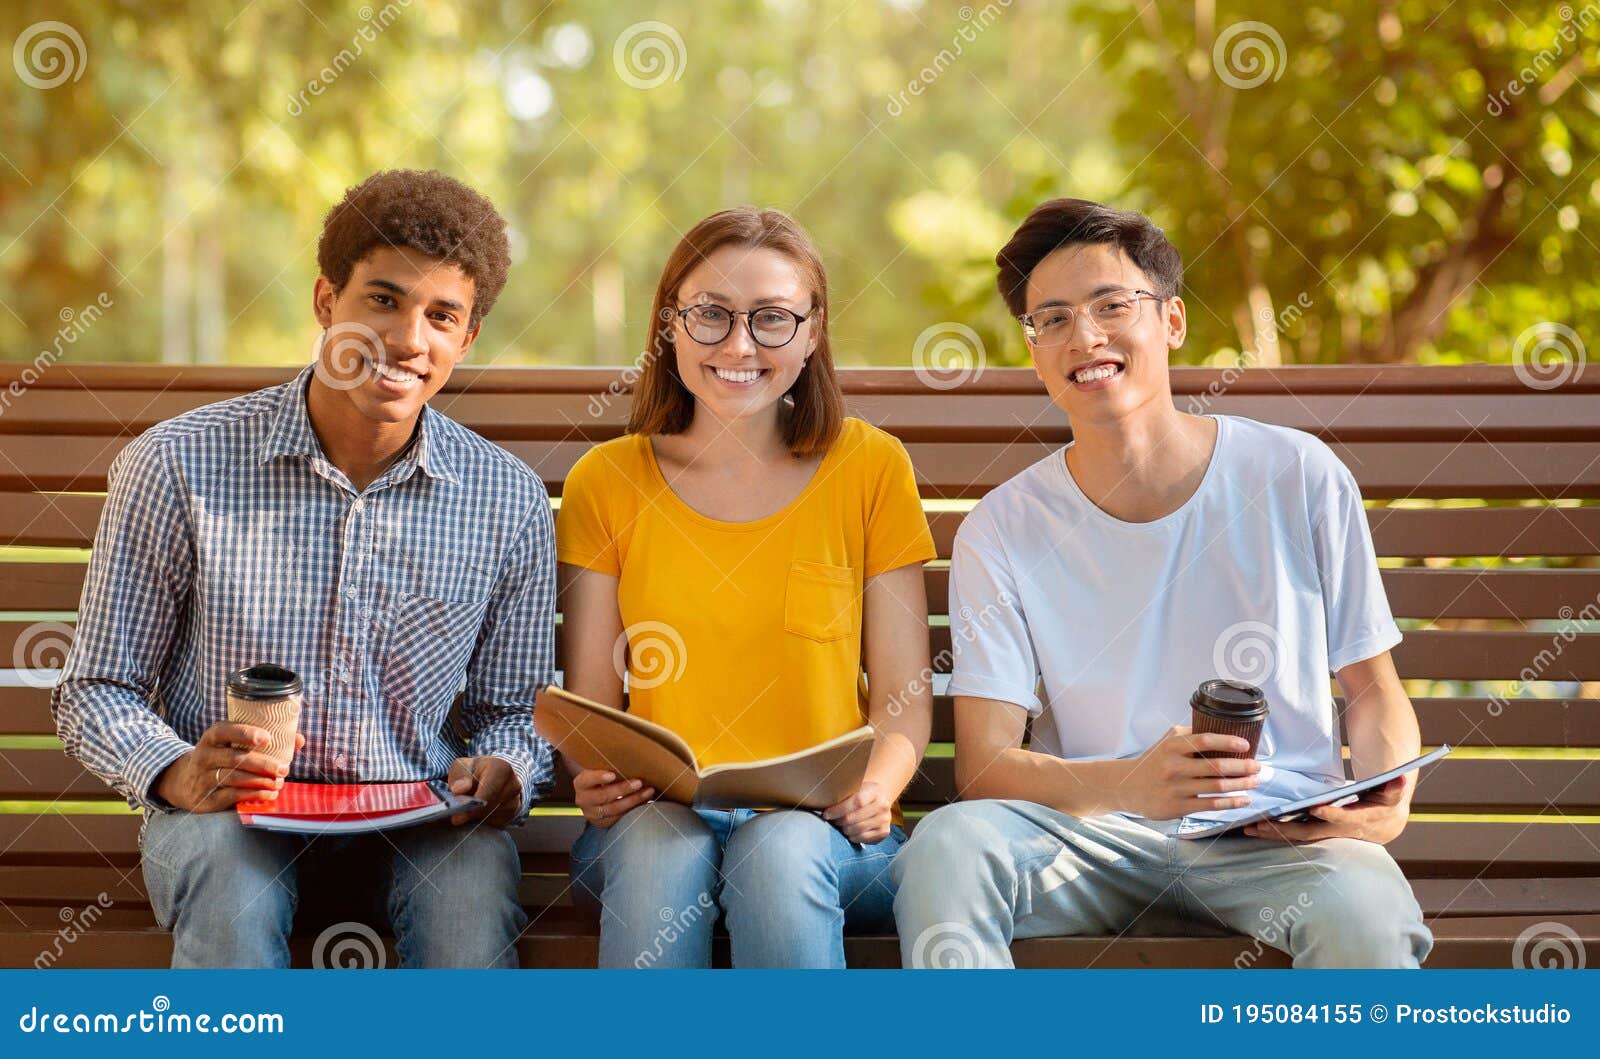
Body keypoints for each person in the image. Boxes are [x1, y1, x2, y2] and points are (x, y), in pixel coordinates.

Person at [891, 198, 1433, 968]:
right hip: (1086, 837)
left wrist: (1385, 798)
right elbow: (984, 765)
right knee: (946, 848)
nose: (1085, 336)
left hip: (1273, 838)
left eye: (1112, 305)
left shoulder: (1299, 474)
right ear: (1036, 350)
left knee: (1367, 913)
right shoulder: (1001, 528)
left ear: (1172, 321)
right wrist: (1130, 784)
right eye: (1052, 319)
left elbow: (1373, 691)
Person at [53, 169, 555, 969]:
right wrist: (175, 769)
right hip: (229, 824)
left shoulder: (509, 501)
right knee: (226, 871)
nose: (406, 340)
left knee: (471, 876)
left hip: (417, 825)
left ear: (468, 337)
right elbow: (96, 688)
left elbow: (515, 711)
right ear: (328, 301)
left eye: (441, 316)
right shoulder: (179, 465)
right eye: (382, 300)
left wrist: (508, 769)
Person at [556, 206, 935, 968]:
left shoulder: (870, 467)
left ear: (812, 331)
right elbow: (593, 708)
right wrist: (591, 778)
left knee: (777, 850)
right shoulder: (607, 480)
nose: (738, 344)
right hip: (655, 825)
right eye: (711, 315)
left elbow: (904, 697)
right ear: (670, 324)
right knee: (665, 849)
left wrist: (878, 790)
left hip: (827, 832)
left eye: (771, 319)